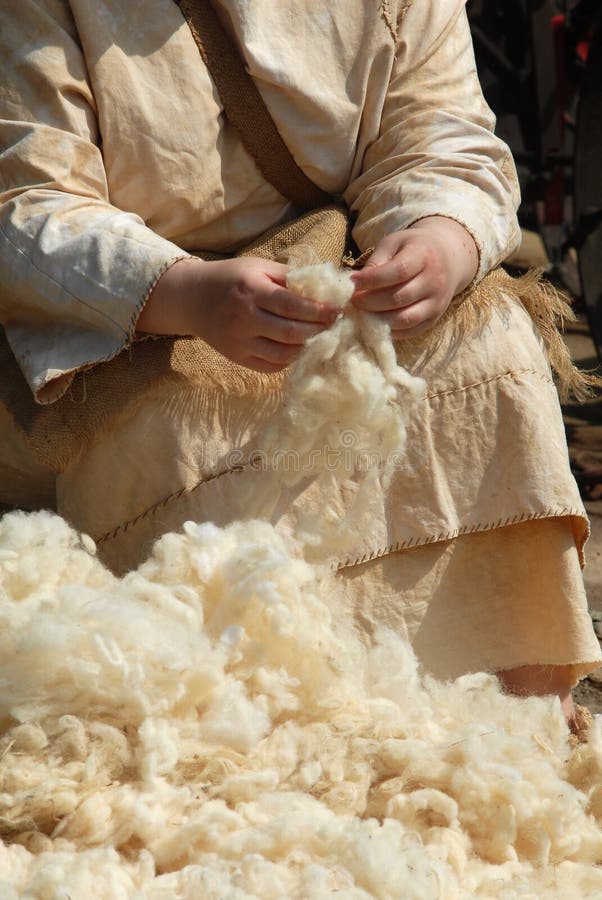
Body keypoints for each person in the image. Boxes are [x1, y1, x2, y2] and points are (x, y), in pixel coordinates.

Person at [1, 0, 600, 728]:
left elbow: (442, 135)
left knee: (492, 345)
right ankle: (261, 721)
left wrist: (439, 242)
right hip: (132, 326)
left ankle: (522, 696)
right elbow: (27, 203)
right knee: (185, 427)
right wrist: (186, 293)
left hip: (336, 282)